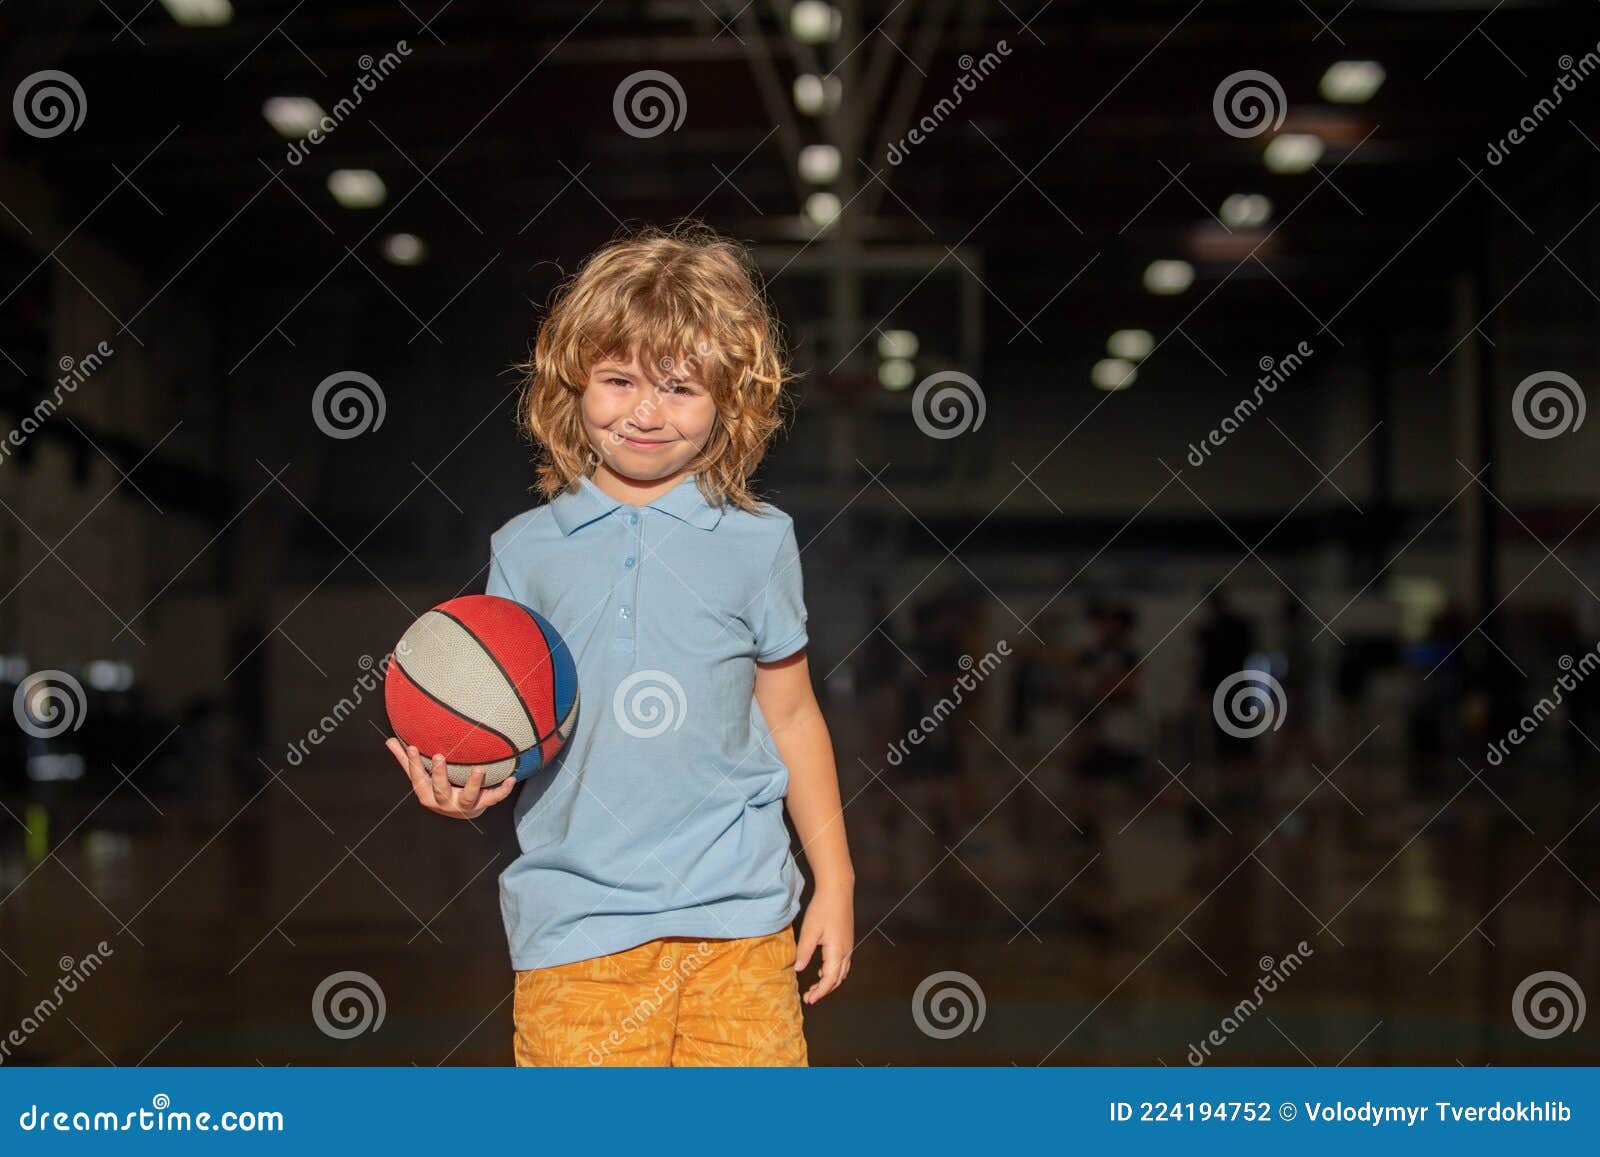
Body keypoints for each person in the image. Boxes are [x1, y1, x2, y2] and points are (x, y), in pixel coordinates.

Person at [383, 222, 855, 1066]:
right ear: (573, 386)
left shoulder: (759, 540)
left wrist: (838, 879)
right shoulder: (524, 548)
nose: (645, 410)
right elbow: (509, 723)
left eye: (679, 387)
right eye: (619, 378)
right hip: (576, 929)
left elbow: (791, 717)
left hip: (741, 924)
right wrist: (469, 779)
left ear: (731, 399)